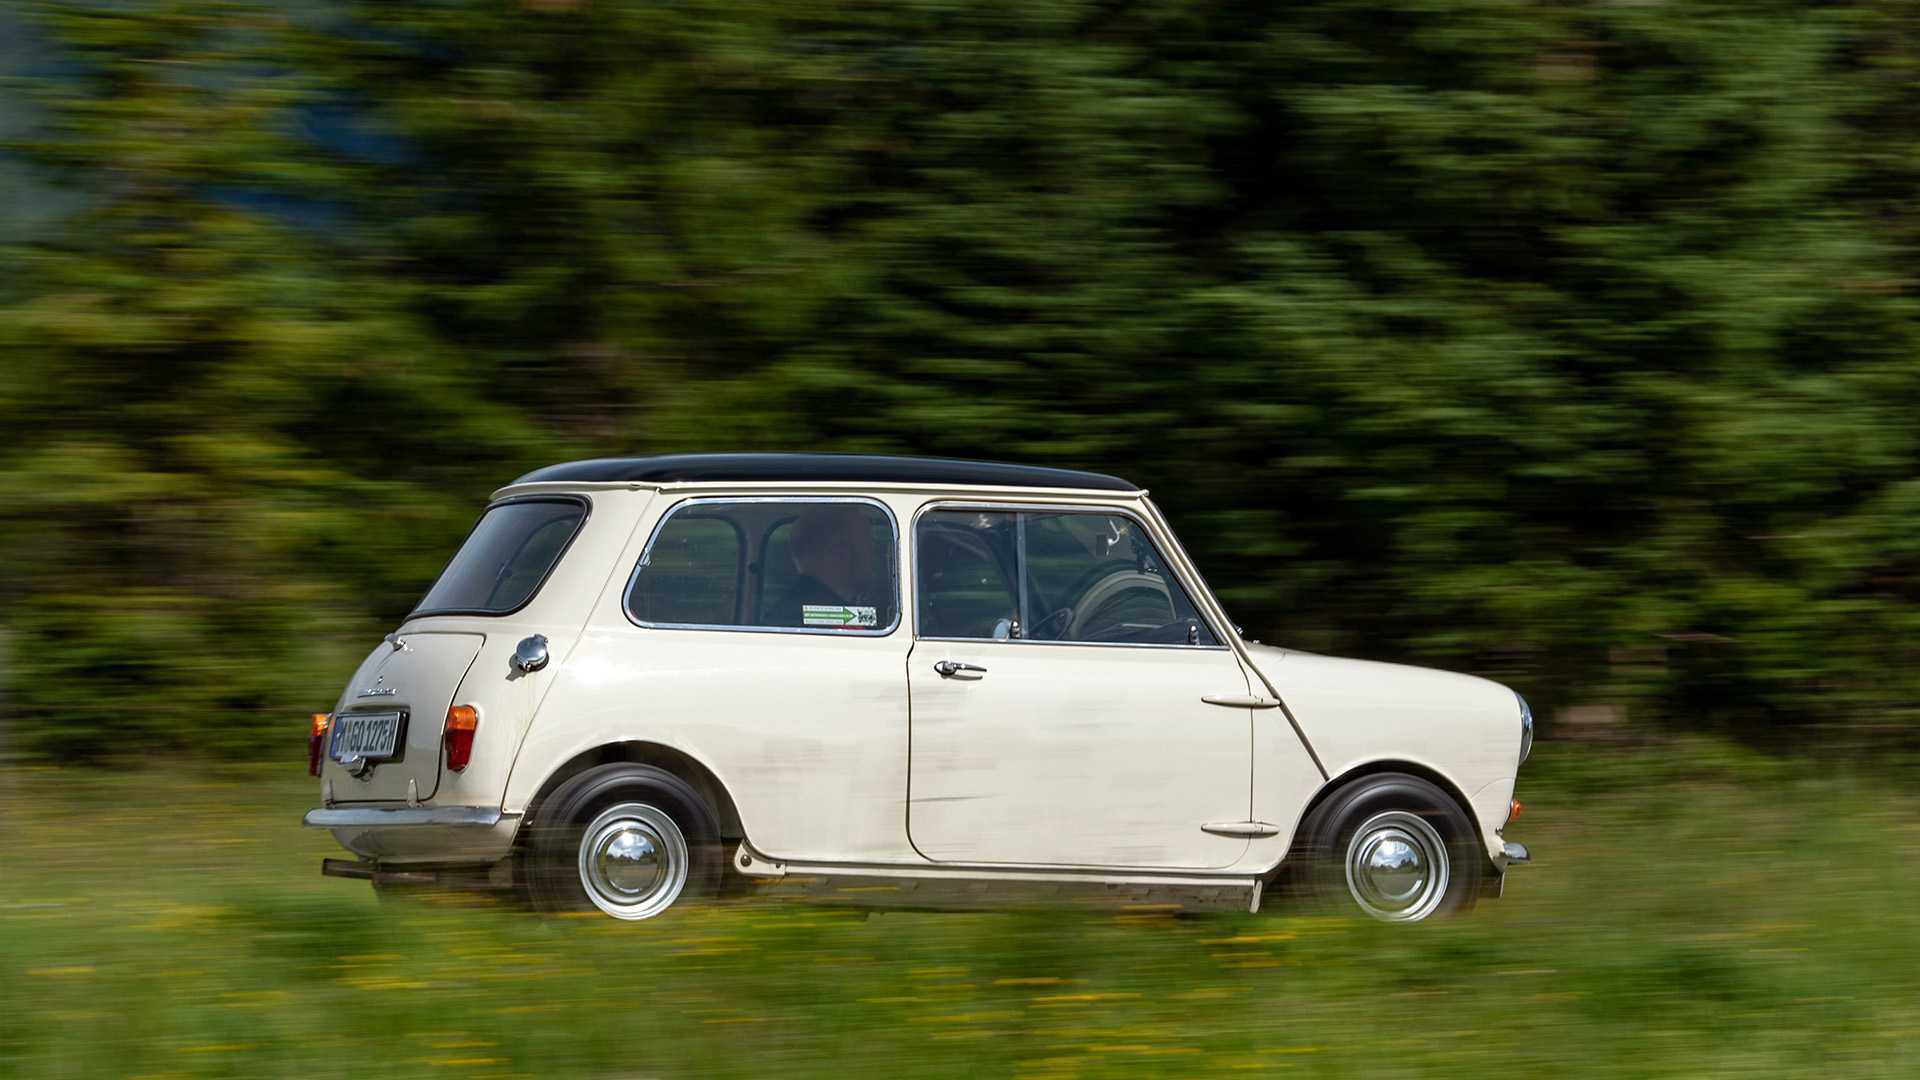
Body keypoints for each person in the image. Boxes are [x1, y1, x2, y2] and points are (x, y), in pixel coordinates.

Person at [779, 506, 890, 628]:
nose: (873, 557)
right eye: (867, 547)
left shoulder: (789, 609)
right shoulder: (835, 621)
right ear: (839, 552)